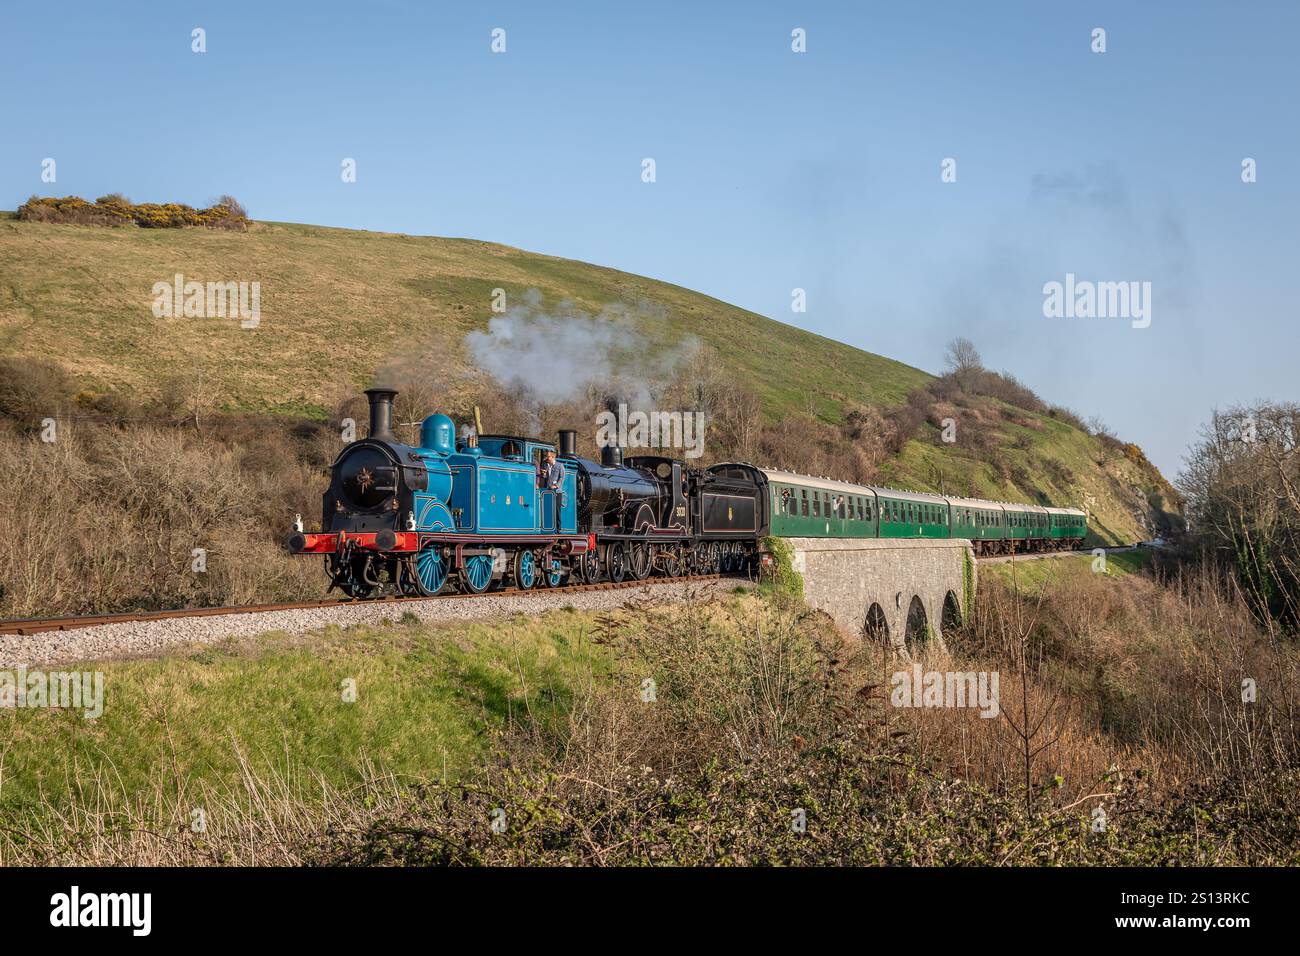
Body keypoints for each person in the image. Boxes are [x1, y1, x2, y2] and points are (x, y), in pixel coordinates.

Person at [540, 449, 565, 528]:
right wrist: (543, 475)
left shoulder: (560, 465)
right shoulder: (545, 465)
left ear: (553, 457)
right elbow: (544, 477)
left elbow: (562, 477)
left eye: (548, 456)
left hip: (557, 491)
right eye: (546, 456)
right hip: (547, 490)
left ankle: (558, 528)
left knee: (557, 509)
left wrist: (556, 485)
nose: (547, 458)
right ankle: (548, 526)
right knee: (547, 509)